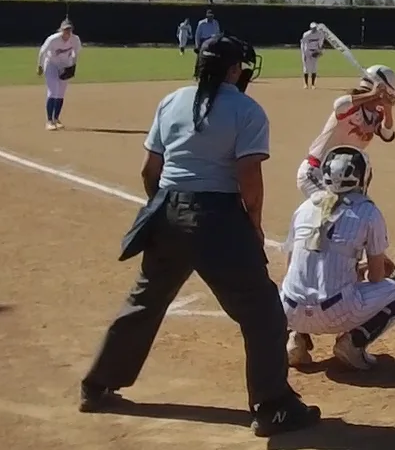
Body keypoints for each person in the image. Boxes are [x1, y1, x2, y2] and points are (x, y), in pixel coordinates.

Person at [78, 34, 319, 437]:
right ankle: (272, 405)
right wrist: (253, 223)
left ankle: (96, 385)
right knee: (262, 313)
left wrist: (165, 208)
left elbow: (148, 170)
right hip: (218, 216)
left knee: (145, 301)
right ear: (232, 69)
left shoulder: (171, 100)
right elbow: (248, 177)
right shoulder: (246, 110)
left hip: (167, 210)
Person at [281, 145, 395, 371]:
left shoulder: (304, 207)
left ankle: (295, 339)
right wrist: (363, 270)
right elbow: (377, 277)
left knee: (295, 282)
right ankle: (353, 343)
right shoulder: (368, 212)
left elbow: (291, 266)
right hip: (337, 312)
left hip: (289, 311)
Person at [296, 65, 395, 196]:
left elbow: (387, 134)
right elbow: (338, 105)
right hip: (316, 171)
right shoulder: (351, 107)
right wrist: (373, 95)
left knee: (356, 209)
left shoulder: (376, 114)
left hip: (343, 176)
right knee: (334, 207)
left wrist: (388, 108)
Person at [37, 20, 82, 130]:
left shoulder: (75, 39)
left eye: (69, 29)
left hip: (64, 66)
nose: (67, 31)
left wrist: (72, 66)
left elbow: (76, 52)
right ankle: (49, 121)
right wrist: (39, 65)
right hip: (51, 64)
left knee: (61, 93)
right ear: (61, 29)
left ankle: (56, 119)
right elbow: (42, 51)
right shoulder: (53, 39)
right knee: (53, 91)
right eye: (65, 29)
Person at [298, 23, 327, 88]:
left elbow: (320, 43)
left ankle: (313, 85)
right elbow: (303, 44)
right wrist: (304, 54)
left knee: (314, 68)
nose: (314, 29)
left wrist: (319, 51)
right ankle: (306, 84)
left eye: (315, 28)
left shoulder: (320, 34)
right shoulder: (306, 34)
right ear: (310, 28)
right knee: (306, 68)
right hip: (307, 51)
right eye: (313, 28)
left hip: (315, 51)